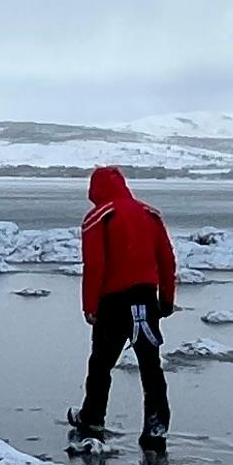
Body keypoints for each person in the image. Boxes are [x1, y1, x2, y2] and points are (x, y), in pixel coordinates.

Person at [71, 162, 177, 450]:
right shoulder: (149, 214)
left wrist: (90, 306)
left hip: (113, 302)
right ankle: (156, 426)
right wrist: (166, 299)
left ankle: (92, 418)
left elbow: (95, 265)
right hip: (145, 300)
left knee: (101, 363)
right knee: (150, 365)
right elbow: (166, 258)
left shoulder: (99, 217)